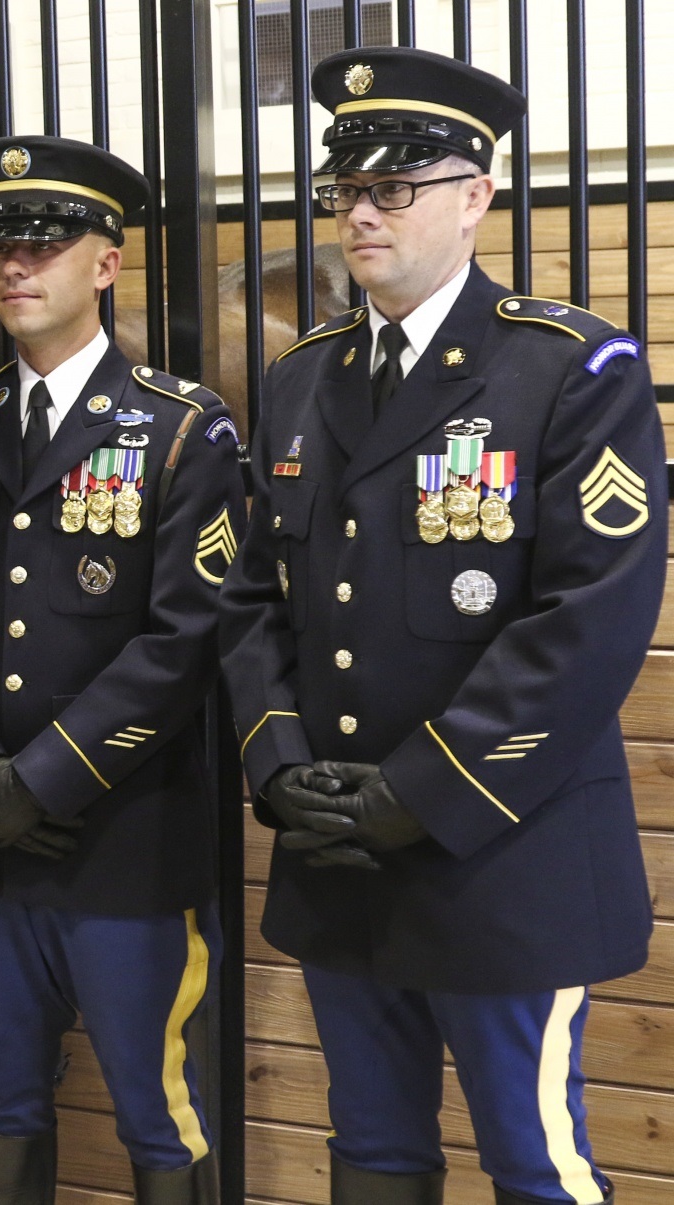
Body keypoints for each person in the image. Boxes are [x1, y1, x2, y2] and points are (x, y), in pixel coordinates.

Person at [220, 46, 666, 1205]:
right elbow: (252, 599)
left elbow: (589, 620)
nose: (360, 214)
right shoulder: (299, 379)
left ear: (477, 196)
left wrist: (421, 789)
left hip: (497, 850)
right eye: (345, 191)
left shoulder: (569, 368)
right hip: (337, 849)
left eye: (395, 188)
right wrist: (276, 765)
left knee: (532, 1157)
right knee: (370, 1150)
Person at [0, 137, 245, 1205]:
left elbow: (185, 637)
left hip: (127, 842)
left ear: (106, 263)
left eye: (46, 244)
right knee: (2, 1091)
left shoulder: (184, 429)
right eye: (1, 243)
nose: (15, 266)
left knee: (156, 1103)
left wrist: (40, 778)